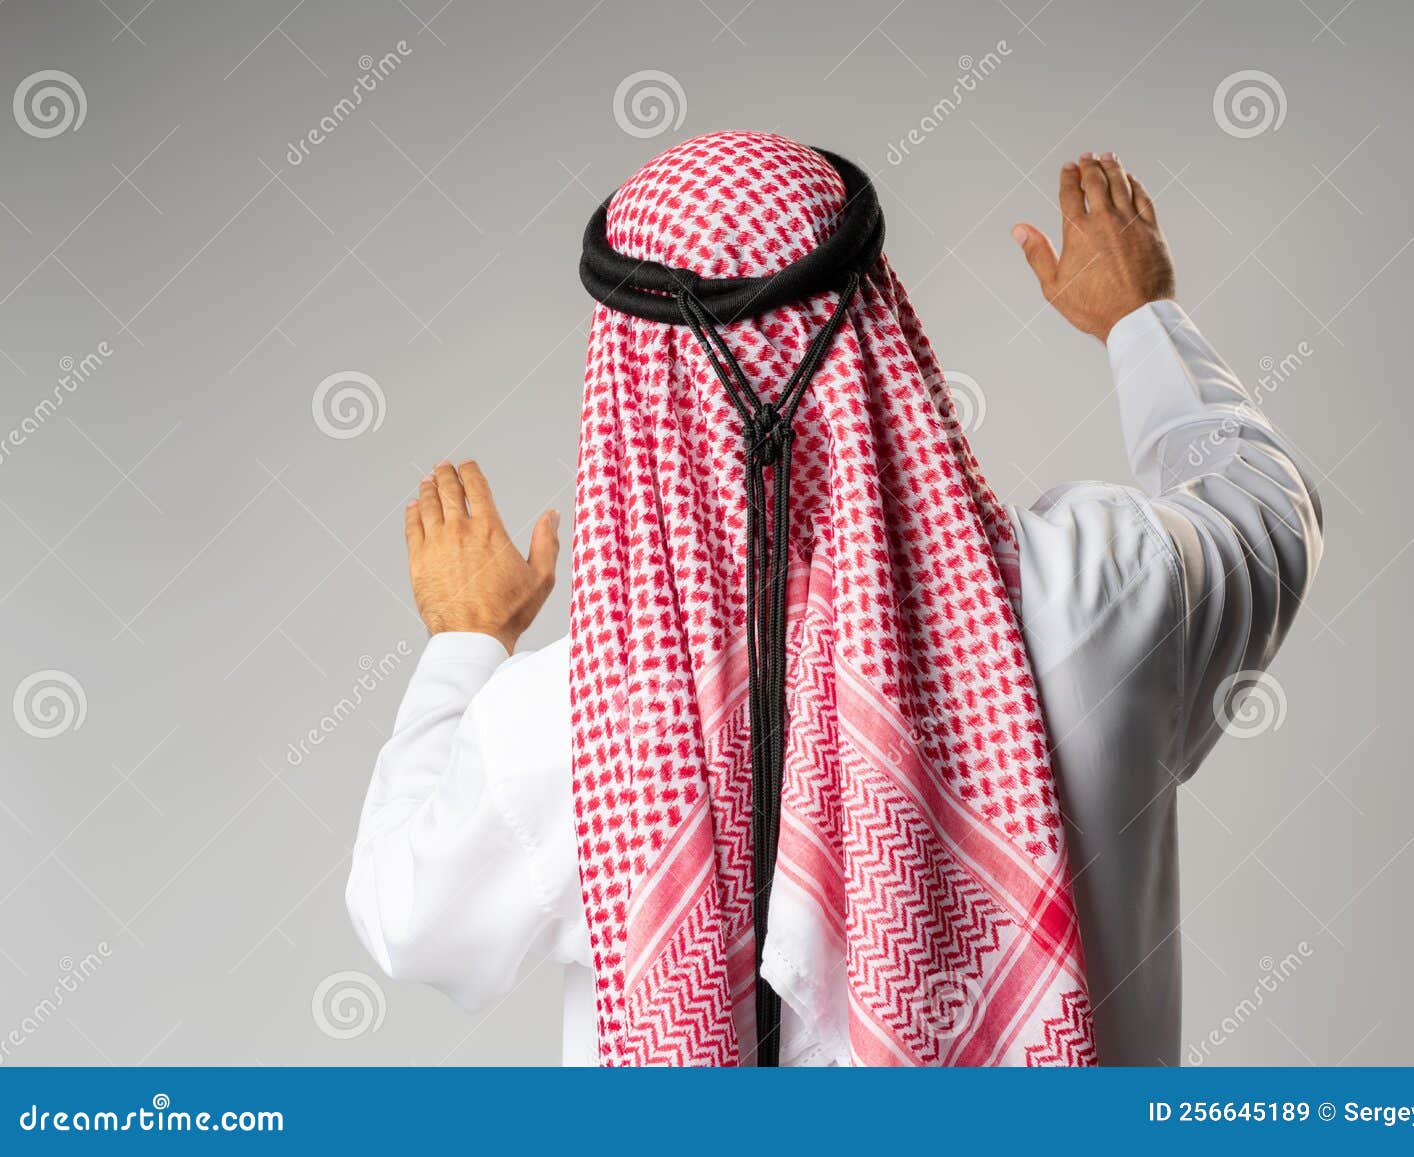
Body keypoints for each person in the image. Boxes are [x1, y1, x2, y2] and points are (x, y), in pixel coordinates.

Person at [346, 131, 1322, 1066]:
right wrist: (1139, 318)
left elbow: (406, 913)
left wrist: (466, 642)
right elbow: (1264, 512)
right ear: (875, 315)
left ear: (628, 377)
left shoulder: (576, 725)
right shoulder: (1102, 590)